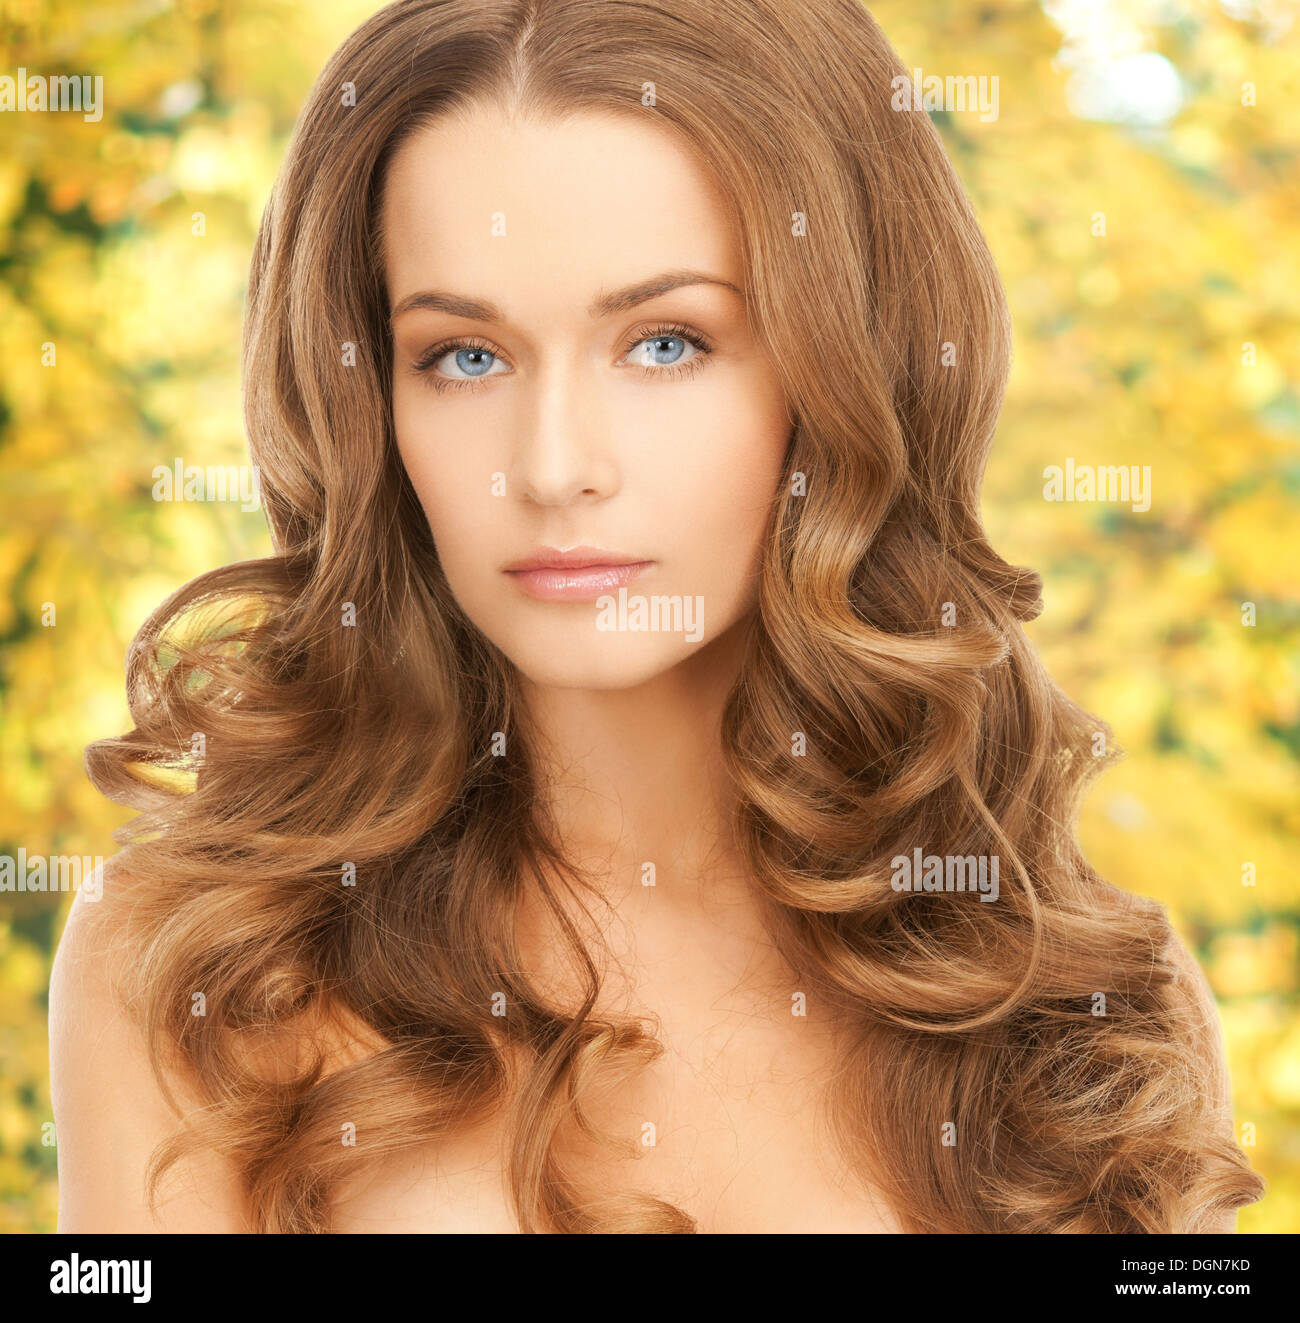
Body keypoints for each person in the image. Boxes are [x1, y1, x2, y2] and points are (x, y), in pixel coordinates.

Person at [50, 0, 1264, 1233]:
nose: (556, 466)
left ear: (849, 364)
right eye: (465, 356)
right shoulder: (208, 968)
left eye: (666, 342)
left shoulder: (1094, 1009)